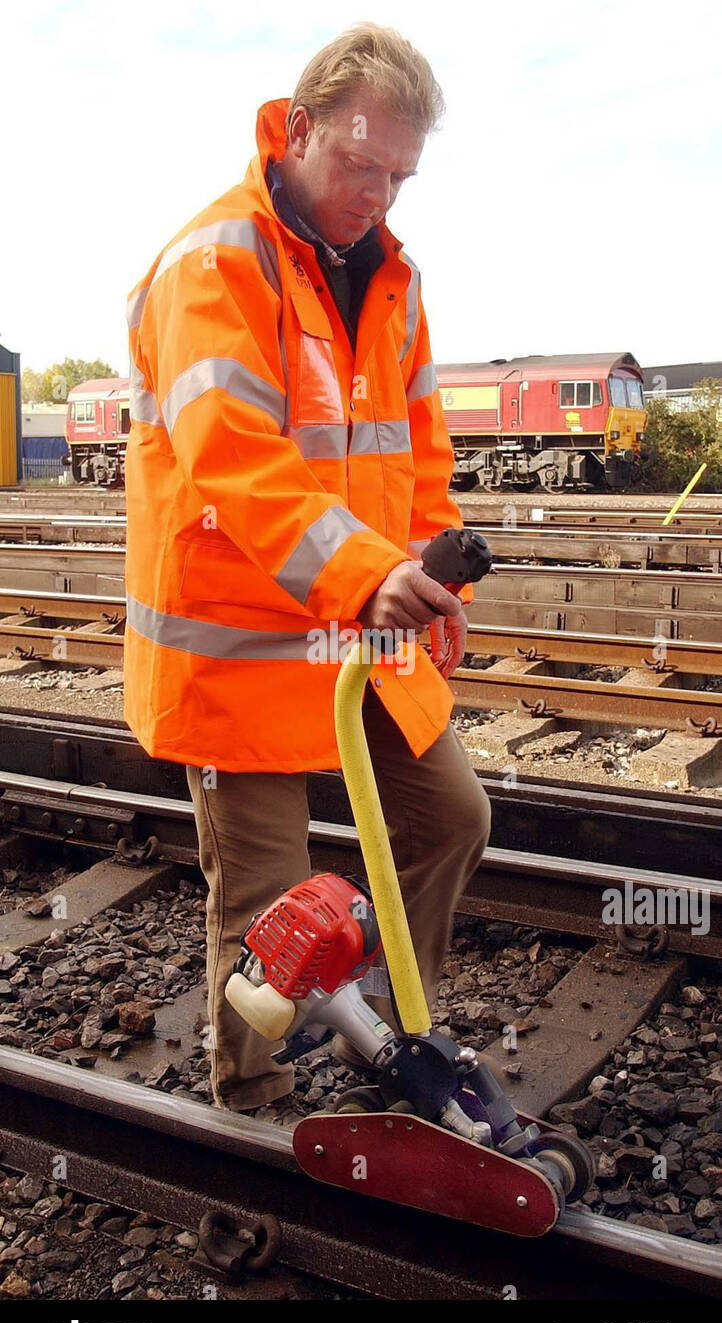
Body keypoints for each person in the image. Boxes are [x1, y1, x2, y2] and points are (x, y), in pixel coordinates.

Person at [123, 23, 491, 1112]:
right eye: (359, 163)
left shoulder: (394, 282)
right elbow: (236, 460)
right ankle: (246, 1104)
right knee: (271, 908)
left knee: (453, 819)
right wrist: (367, 576)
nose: (378, 191)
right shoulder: (212, 264)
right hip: (242, 649)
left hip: (359, 633)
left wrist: (426, 572)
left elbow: (417, 456)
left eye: (398, 174)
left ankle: (376, 1023)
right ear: (297, 130)